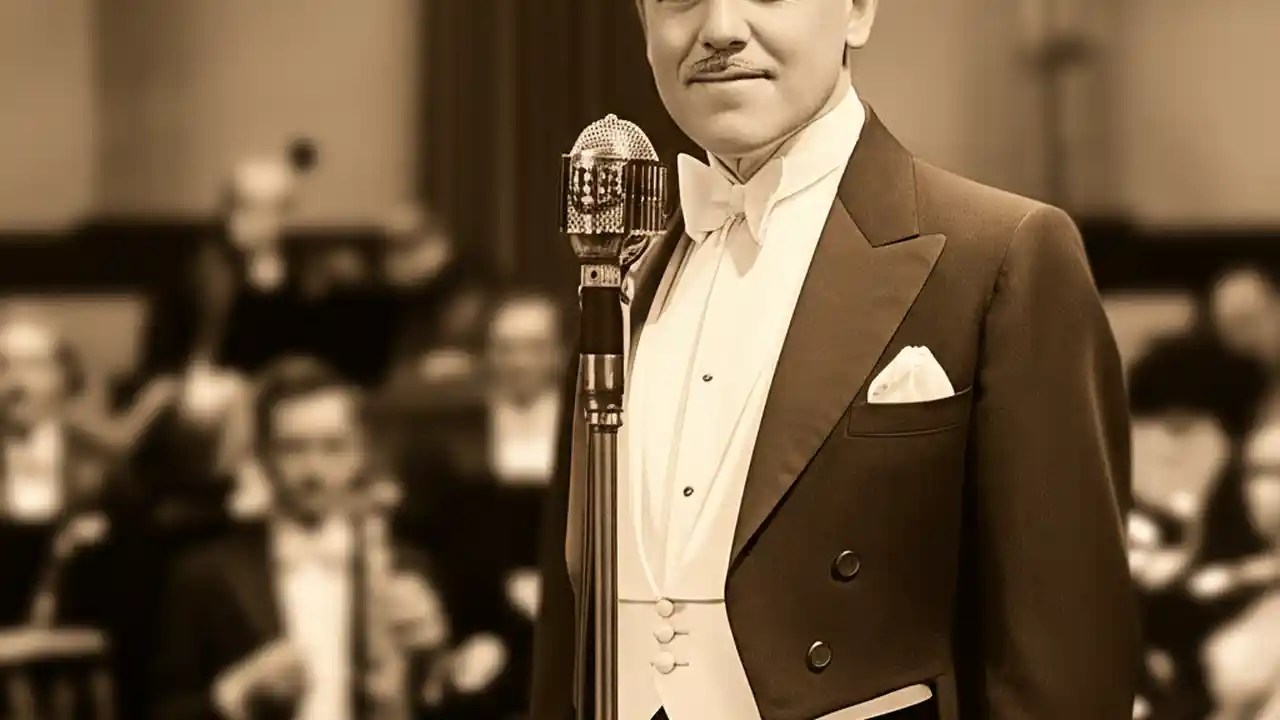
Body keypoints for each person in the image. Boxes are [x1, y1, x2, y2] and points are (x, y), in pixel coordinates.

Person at [532, 1, 1138, 719]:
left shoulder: (1003, 252)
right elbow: (569, 630)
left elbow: (1065, 663)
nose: (719, 28)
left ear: (857, 10)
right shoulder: (616, 275)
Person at [151, 357, 455, 720]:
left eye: (333, 446)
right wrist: (234, 696)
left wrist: (434, 657)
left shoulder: (407, 567)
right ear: (263, 456)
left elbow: (440, 705)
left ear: (360, 454)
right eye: (293, 448)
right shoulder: (204, 575)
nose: (314, 470)